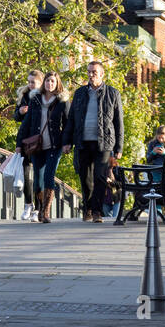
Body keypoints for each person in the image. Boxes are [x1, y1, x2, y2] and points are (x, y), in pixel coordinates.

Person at [62, 60, 125, 223]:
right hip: (82, 142)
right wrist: (67, 141)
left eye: (94, 72)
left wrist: (119, 146)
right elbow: (71, 120)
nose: (90, 75)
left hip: (104, 143)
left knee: (100, 176)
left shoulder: (112, 93)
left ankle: (97, 211)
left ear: (102, 74)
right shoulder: (80, 93)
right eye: (89, 72)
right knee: (85, 178)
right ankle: (88, 208)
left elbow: (119, 122)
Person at [17, 70, 70, 222]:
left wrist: (67, 143)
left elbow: (67, 124)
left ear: (57, 83)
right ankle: (39, 209)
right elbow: (26, 123)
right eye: (47, 81)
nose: (50, 84)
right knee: (38, 179)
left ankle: (46, 211)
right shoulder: (35, 99)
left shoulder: (62, 101)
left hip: (54, 145)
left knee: (49, 176)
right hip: (37, 145)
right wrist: (19, 144)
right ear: (44, 83)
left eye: (53, 81)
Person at [12, 71, 44, 220]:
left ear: (40, 82)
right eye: (29, 81)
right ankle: (28, 204)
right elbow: (16, 118)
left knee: (39, 175)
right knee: (25, 175)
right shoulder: (25, 96)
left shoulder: (45, 97)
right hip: (26, 140)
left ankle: (38, 209)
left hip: (41, 140)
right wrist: (20, 111)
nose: (30, 85)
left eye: (33, 82)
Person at [144, 125, 165, 213]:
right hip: (156, 173)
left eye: (163, 135)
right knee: (156, 197)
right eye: (159, 135)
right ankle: (158, 216)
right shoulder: (152, 144)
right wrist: (153, 152)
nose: (160, 137)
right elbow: (148, 160)